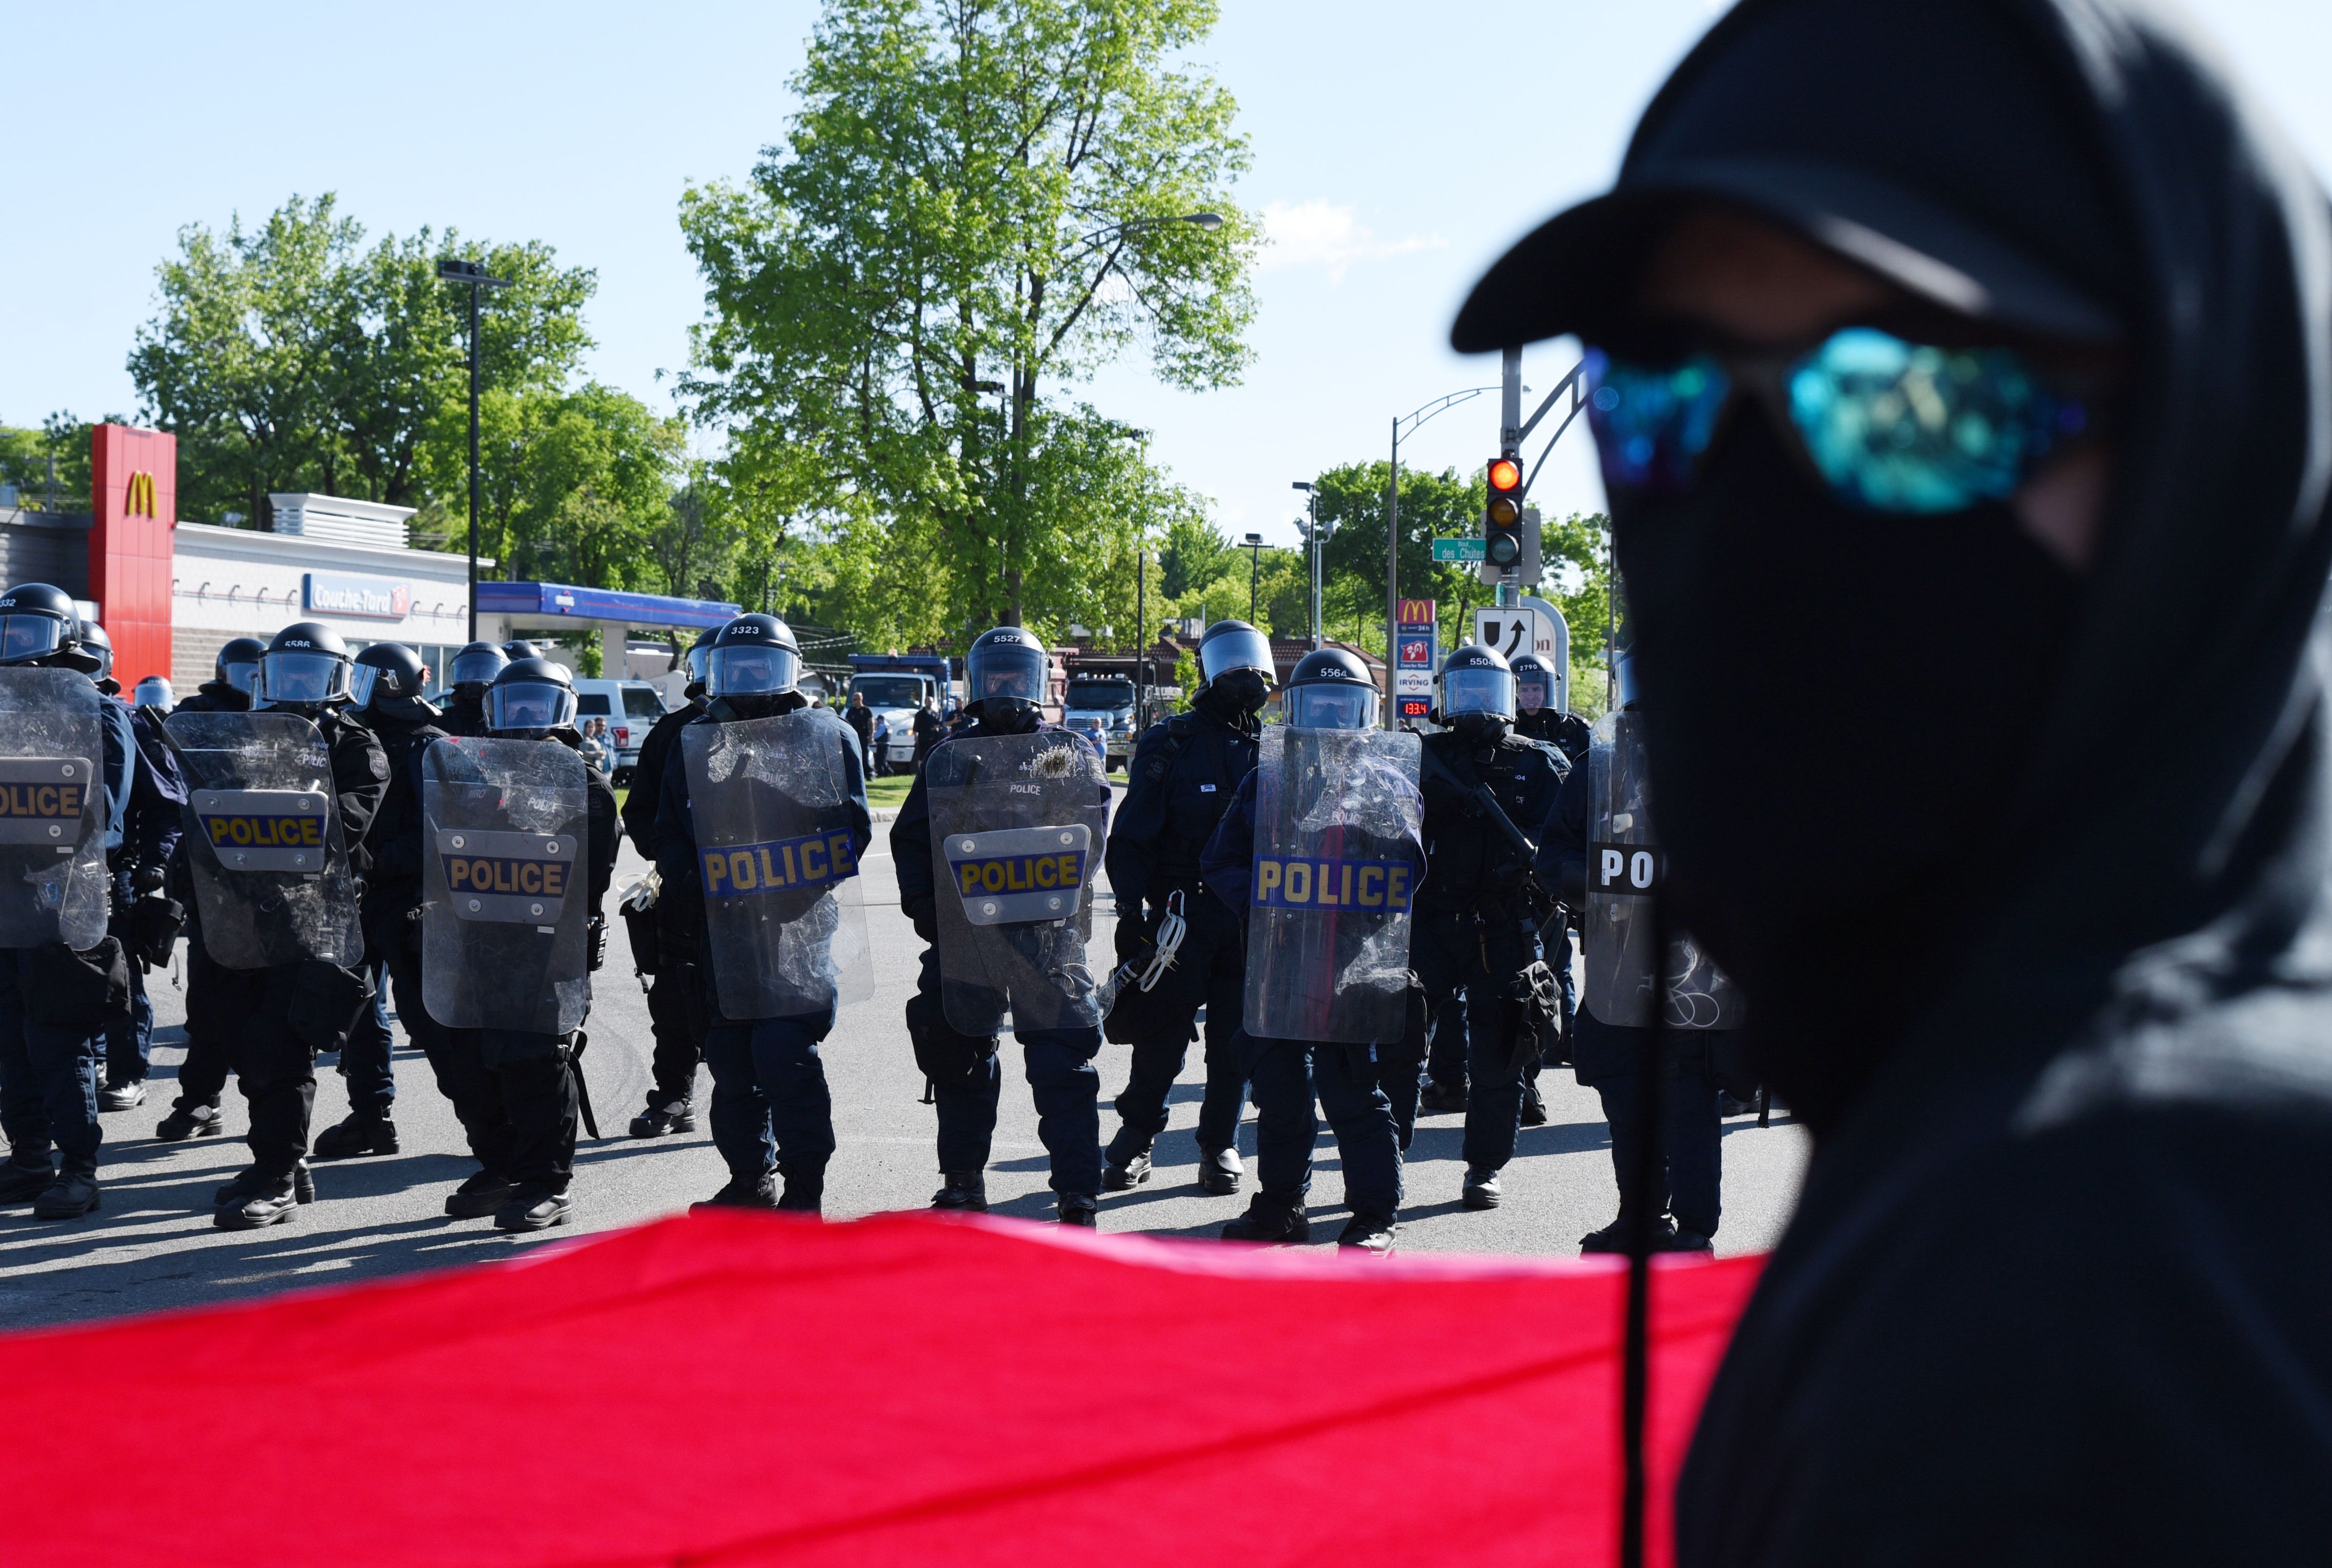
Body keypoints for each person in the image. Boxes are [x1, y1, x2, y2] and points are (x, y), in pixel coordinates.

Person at [1451, 0, 2332, 1556]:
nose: (1753, 506)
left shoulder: (2110, 1261)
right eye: (1663, 391)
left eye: (1911, 398)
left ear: (2213, 447)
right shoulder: (2009, 1091)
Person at [1194, 647, 1422, 1251]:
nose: (1330, 717)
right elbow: (1219, 860)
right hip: (1280, 963)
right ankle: (1281, 1208)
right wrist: (1268, 903)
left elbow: (1408, 872)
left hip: (1353, 965)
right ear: (1295, 708)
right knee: (1279, 1092)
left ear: (1366, 711)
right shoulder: (1268, 779)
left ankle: (1374, 1215)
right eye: (1318, 704)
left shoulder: (1388, 784)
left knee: (1353, 1093)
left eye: (1343, 705)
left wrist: (1353, 908)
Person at [891, 624, 1106, 1225]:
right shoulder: (948, 757)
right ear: (977, 681)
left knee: (1064, 1063)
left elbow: (1091, 836)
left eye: (1017, 674)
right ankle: (962, 1182)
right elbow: (910, 840)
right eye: (995, 673)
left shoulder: (1069, 751)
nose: (1006, 684)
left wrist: (1059, 897)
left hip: (1048, 934)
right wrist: (927, 912)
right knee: (958, 1054)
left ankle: (1077, 1191)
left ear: (1036, 681)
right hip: (967, 934)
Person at [654, 614, 870, 1213]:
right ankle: (749, 1180)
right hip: (722, 929)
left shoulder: (826, 734)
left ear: (790, 671)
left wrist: (794, 884)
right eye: (736, 668)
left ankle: (803, 1192)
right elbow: (668, 830)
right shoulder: (696, 739)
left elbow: (851, 830)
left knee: (786, 1059)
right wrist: (695, 882)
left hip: (797, 927)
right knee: (730, 1063)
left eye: (762, 667)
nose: (748, 680)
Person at [1536, 656, 1734, 1252]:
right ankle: (1641, 1216)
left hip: (1697, 962)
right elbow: (1553, 853)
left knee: (1689, 1093)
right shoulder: (1598, 766)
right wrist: (1587, 883)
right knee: (1625, 1092)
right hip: (1617, 955)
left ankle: (1694, 1229)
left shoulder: (1726, 766)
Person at [428, 657, 620, 1231]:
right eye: (514, 704)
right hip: (478, 940)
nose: (526, 717)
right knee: (469, 1063)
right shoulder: (471, 775)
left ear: (563, 710)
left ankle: (546, 1184)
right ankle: (503, 1167)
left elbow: (591, 876)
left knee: (535, 1062)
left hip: (548, 944)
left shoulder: (585, 784)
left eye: (540, 703)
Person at [207, 623, 389, 1229]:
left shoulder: (357, 746)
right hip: (246, 912)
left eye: (312, 674)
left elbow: (346, 827)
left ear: (338, 680)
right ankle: (283, 1161)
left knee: (279, 1045)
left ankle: (278, 1177)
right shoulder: (247, 735)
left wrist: (281, 806)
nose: (299, 686)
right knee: (244, 1042)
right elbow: (211, 802)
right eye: (288, 673)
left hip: (317, 917)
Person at [1097, 619, 1271, 1195]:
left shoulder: (1277, 750)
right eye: (1233, 662)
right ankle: (1137, 1138)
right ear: (1208, 671)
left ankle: (1219, 1144)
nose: (1246, 675)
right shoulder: (1170, 742)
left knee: (1234, 1043)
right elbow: (1131, 836)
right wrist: (1130, 912)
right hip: (1180, 918)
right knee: (1159, 1039)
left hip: (1248, 919)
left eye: (1253, 663)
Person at [1409, 644, 1567, 1211]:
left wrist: (1532, 868)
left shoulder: (1539, 762)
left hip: (1504, 926)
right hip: (1430, 921)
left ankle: (1484, 1166)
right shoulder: (1420, 757)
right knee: (1398, 1041)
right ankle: (1381, 1158)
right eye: (1465, 690)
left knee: (1500, 1055)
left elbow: (1568, 838)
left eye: (1486, 690)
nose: (1476, 702)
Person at [0, 584, 137, 1220]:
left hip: (61, 902)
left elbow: (105, 816)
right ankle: (30, 1157)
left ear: (64, 639)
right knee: (9, 1042)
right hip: (4, 901)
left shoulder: (96, 711)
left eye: (27, 633)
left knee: (57, 1041)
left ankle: (79, 1169)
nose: (13, 648)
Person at [310, 642, 439, 1162]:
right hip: (368, 894)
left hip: (405, 898)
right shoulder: (348, 738)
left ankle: (490, 1123)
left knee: (419, 1018)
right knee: (362, 1009)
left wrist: (375, 861)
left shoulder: (425, 747)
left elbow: (437, 833)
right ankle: (372, 1117)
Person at [154, 637, 265, 1143]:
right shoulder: (198, 713)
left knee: (269, 1013)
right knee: (207, 1002)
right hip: (210, 874)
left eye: (256, 674)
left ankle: (274, 1122)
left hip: (271, 876)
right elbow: (176, 749)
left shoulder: (283, 718)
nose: (248, 684)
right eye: (240, 673)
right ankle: (200, 1100)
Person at [620, 632, 713, 1138]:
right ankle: (674, 1095)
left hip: (765, 889)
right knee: (676, 994)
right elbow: (640, 811)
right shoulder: (673, 731)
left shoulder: (784, 732)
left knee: (766, 1003)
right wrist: (676, 864)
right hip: (685, 887)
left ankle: (760, 1102)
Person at [96, 622, 187, 1115]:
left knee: (120, 975)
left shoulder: (125, 722)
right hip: (37, 870)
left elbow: (165, 804)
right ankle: (87, 1062)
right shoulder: (24, 714)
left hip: (114, 871)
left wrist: (155, 861)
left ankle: (128, 1072)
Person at [1509, 652, 1589, 763]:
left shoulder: (1573, 729)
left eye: (1536, 689)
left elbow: (1596, 766)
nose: (1530, 696)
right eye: (1524, 690)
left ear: (1547, 693)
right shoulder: (1506, 730)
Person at [438, 641, 506, 738]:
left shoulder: (506, 720)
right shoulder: (443, 720)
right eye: (470, 673)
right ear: (461, 675)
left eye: (487, 673)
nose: (477, 679)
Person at [841, 689, 874, 770]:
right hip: (853, 736)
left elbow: (872, 723)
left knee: (865, 754)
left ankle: (867, 772)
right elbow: (846, 723)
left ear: (860, 699)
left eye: (855, 699)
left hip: (864, 736)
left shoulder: (867, 710)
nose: (854, 701)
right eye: (853, 700)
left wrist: (871, 736)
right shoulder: (851, 711)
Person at [910, 697, 945, 772]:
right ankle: (921, 771)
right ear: (925, 702)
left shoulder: (935, 714)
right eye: (928, 701)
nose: (929, 703)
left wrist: (936, 727)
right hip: (923, 737)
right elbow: (916, 726)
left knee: (932, 754)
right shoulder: (920, 714)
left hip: (933, 738)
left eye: (931, 702)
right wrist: (916, 736)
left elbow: (940, 724)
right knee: (922, 755)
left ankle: (931, 770)